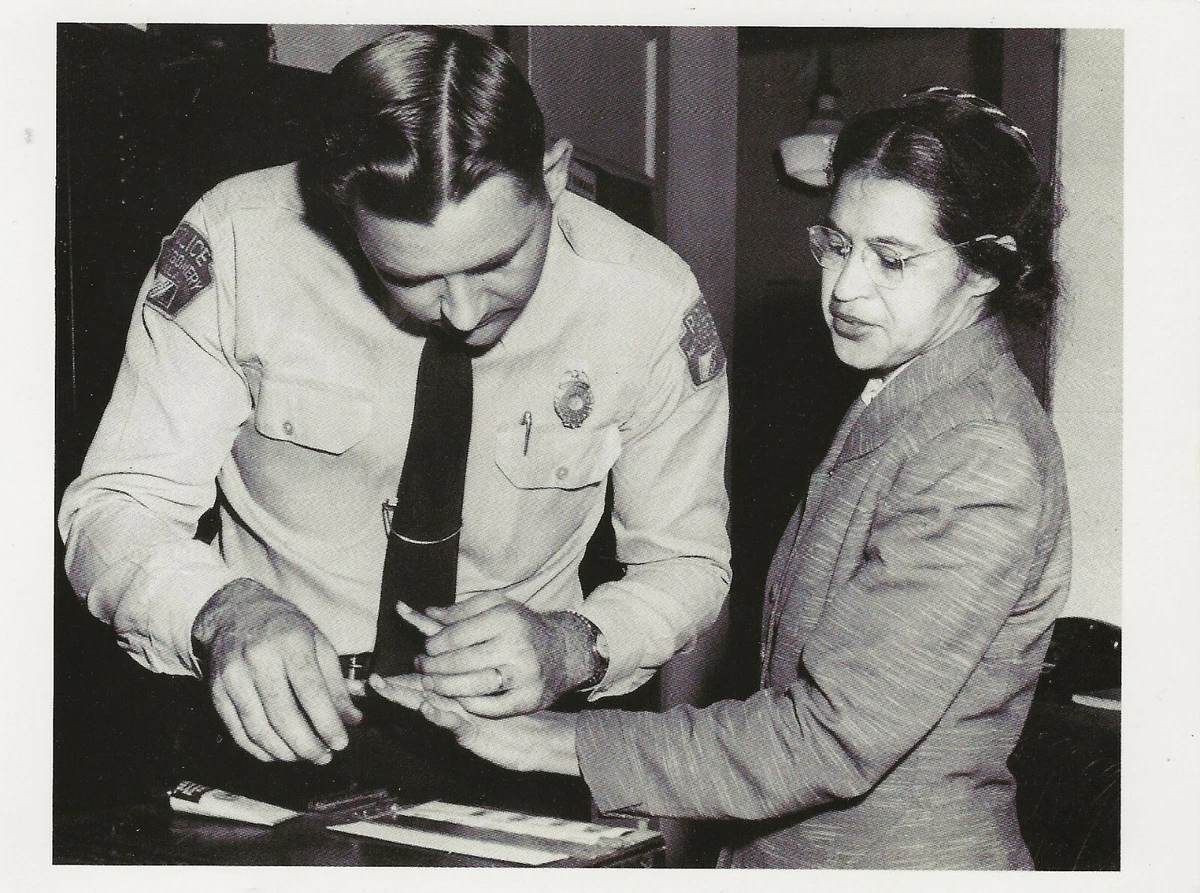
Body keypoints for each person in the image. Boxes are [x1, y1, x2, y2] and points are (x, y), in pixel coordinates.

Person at [373, 87, 1071, 869]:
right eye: (836, 245)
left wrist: (554, 740)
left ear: (984, 271)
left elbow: (830, 736)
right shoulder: (909, 399)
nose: (844, 287)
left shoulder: (977, 449)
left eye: (892, 258)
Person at [58, 26, 730, 801]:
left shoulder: (649, 300)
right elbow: (116, 505)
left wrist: (574, 643)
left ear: (553, 173)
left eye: (498, 259)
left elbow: (687, 562)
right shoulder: (239, 242)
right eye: (411, 275)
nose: (466, 311)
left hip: (520, 744)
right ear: (342, 213)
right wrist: (222, 611)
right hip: (264, 732)